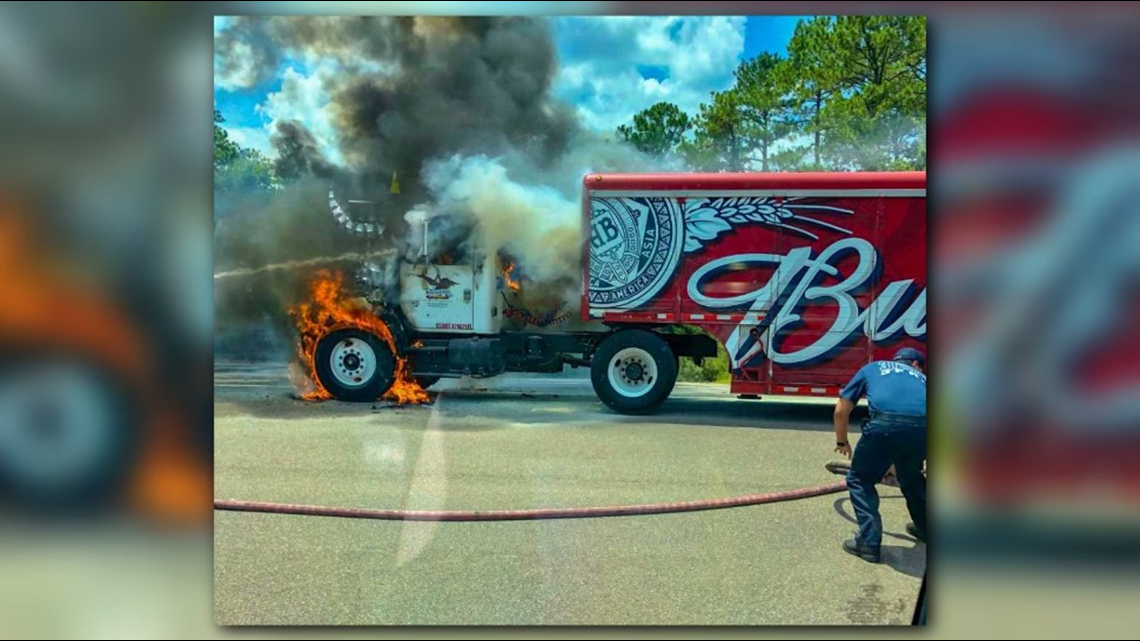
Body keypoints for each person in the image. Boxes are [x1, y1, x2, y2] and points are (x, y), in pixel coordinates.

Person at [833, 347, 927, 563]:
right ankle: (926, 528)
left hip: (884, 426)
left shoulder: (872, 368)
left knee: (860, 479)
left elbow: (841, 409)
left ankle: (868, 542)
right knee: (911, 476)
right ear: (915, 364)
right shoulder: (922, 377)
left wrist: (842, 441)